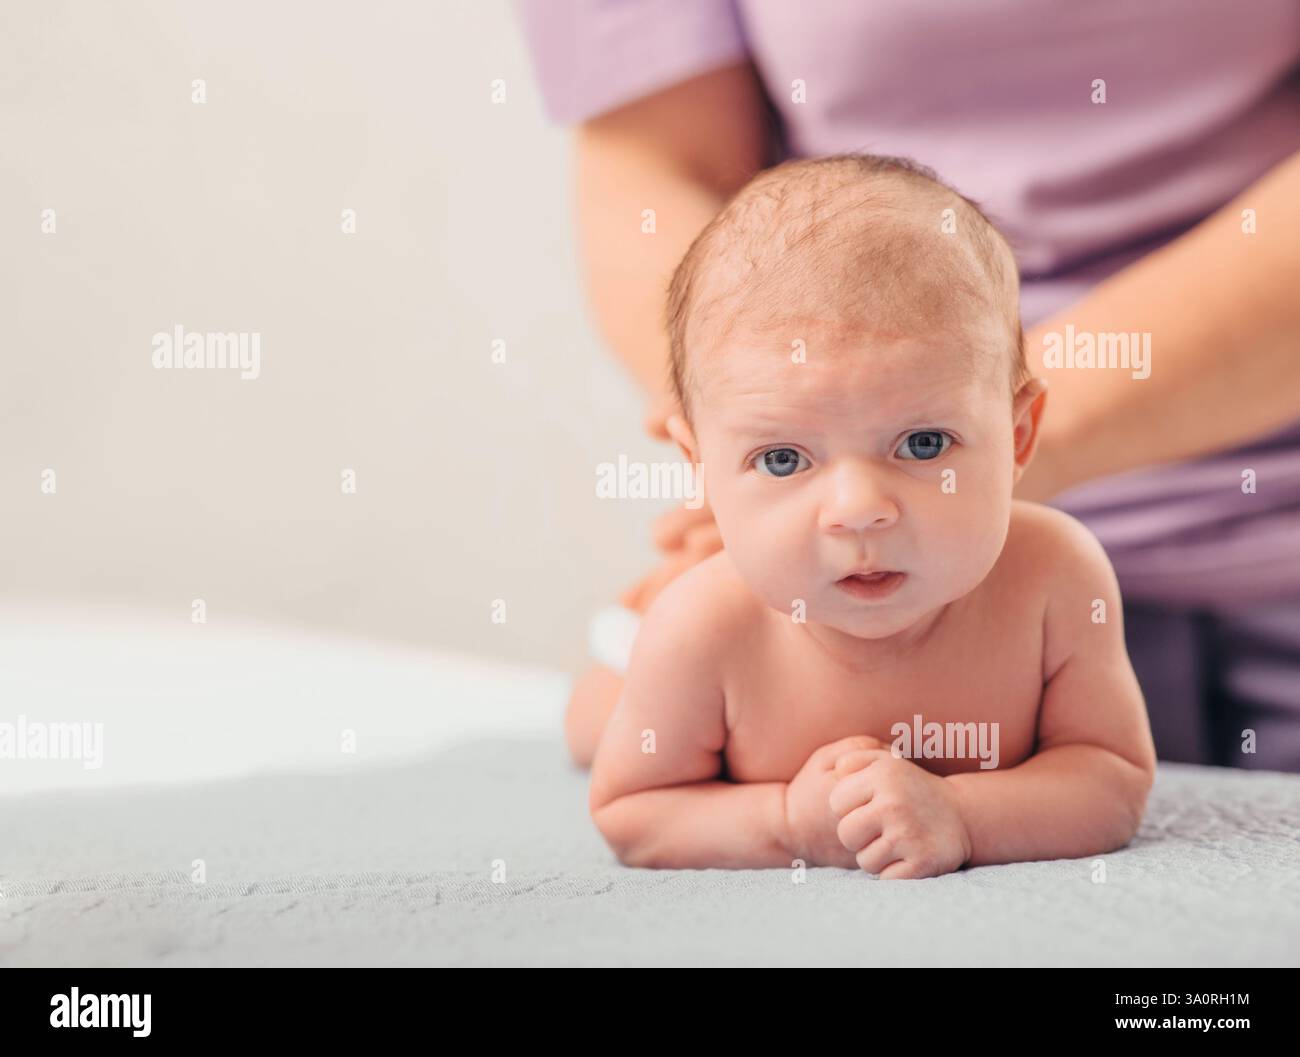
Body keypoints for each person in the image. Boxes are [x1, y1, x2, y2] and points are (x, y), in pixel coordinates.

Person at [515, 0, 1300, 772]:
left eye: (922, 445)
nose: (857, 505)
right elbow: (653, 166)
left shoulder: (1055, 574)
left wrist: (909, 450)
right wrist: (771, 440)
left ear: (1020, 431)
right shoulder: (719, 617)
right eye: (787, 461)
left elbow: (1105, 792)